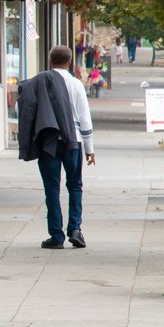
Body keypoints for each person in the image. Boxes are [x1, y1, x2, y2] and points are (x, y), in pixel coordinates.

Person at [40, 46, 95, 249]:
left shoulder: (41, 82)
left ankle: (56, 235)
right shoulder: (76, 84)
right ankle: (75, 229)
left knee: (52, 188)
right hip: (73, 141)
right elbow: (84, 117)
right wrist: (89, 148)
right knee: (75, 185)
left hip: (49, 142)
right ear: (70, 62)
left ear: (50, 60)